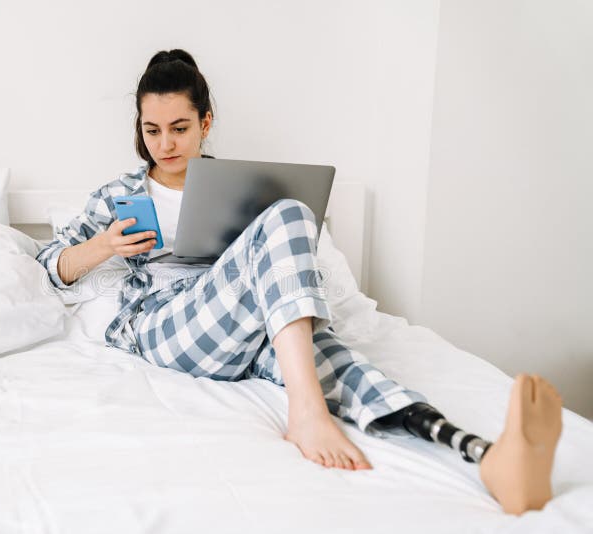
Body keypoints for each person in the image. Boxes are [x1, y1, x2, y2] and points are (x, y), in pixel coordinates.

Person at [36, 49, 563, 515]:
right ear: (140, 128)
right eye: (153, 130)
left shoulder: (236, 183)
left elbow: (276, 262)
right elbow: (49, 263)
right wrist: (104, 245)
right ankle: (306, 413)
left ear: (205, 123)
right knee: (288, 214)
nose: (165, 144)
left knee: (331, 354)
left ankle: (480, 452)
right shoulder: (118, 195)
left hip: (248, 321)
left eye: (180, 127)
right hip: (167, 326)